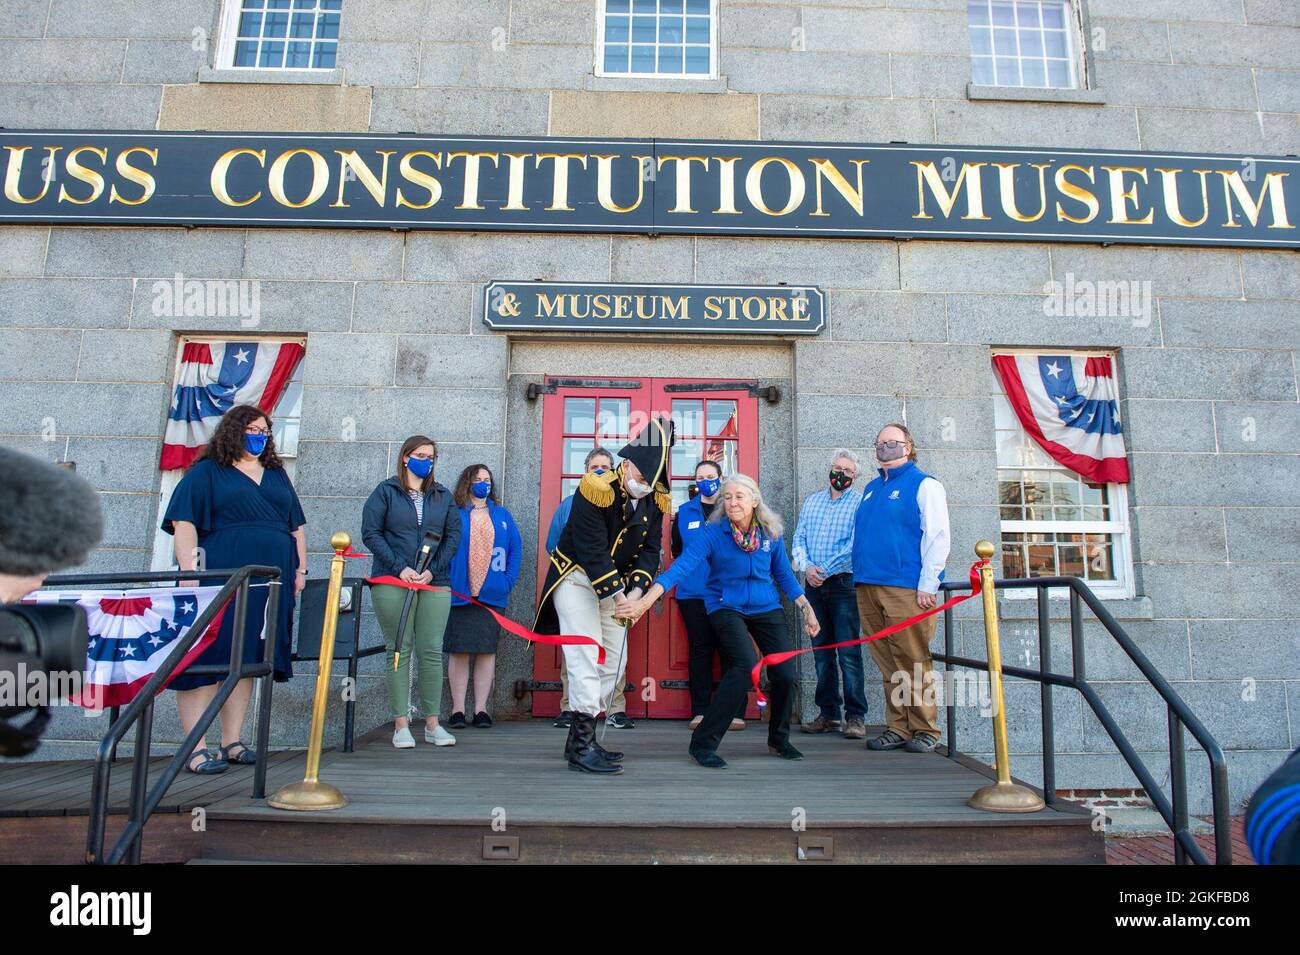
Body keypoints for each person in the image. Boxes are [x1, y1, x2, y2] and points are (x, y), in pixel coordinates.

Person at [628, 474, 820, 769]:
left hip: (765, 606)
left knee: (785, 674)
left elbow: (783, 575)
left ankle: (779, 739)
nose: (732, 503)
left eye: (739, 497)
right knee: (743, 667)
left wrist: (806, 607)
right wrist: (646, 599)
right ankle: (703, 743)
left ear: (755, 500)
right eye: (727, 497)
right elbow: (682, 566)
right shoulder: (715, 532)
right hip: (724, 605)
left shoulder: (770, 533)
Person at [163, 404, 306, 774]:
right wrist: (189, 570)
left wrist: (301, 569)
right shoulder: (208, 472)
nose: (260, 436)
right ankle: (195, 748)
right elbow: (184, 521)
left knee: (247, 658)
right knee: (209, 657)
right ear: (234, 431)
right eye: (253, 429)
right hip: (221, 576)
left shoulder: (276, 473)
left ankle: (232, 741)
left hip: (271, 580)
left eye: (265, 431)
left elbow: (296, 526)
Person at [535, 417, 675, 774]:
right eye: (642, 479)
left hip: (620, 590)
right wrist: (618, 596)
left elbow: (648, 550)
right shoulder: (594, 488)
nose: (645, 487)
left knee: (613, 660)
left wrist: (638, 589)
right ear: (626, 464)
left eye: (651, 482)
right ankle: (582, 746)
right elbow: (592, 549)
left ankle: (584, 739)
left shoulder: (655, 499)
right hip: (578, 579)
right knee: (586, 654)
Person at [852, 423, 951, 754]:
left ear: (908, 446)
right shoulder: (870, 488)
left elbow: (937, 536)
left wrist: (928, 582)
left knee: (913, 660)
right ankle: (898, 726)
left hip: (906, 587)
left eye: (892, 442)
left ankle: (925, 728)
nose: (884, 448)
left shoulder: (924, 485)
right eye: (879, 443)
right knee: (887, 662)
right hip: (868, 585)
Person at [362, 435, 461, 750]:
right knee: (399, 650)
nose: (426, 460)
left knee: (431, 651)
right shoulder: (385, 492)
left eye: (431, 456)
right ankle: (401, 724)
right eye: (420, 454)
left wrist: (432, 570)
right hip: (393, 580)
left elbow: (453, 536)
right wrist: (399, 567)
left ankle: (432, 723)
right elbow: (371, 533)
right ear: (405, 457)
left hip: (435, 580)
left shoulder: (442, 495)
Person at [546, 447, 634, 729]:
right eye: (594, 466)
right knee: (579, 652)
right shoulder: (569, 504)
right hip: (578, 580)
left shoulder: (623, 502)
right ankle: (573, 715)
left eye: (605, 466)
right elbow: (554, 544)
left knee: (614, 654)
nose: (600, 471)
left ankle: (609, 710)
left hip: (613, 587)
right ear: (585, 471)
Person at [791, 449, 868, 739]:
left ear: (855, 476)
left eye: (847, 471)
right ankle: (828, 713)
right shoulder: (812, 502)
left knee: (848, 652)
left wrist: (822, 568)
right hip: (813, 586)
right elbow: (799, 538)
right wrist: (807, 568)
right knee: (821, 652)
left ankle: (855, 717)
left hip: (842, 584)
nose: (840, 474)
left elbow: (854, 545)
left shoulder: (860, 504)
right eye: (837, 468)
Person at [671, 459, 746, 731]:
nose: (705, 480)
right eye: (700, 476)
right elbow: (677, 551)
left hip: (728, 593)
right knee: (700, 651)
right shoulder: (684, 512)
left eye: (710, 476)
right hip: (693, 594)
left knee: (731, 651)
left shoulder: (733, 509)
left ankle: (734, 712)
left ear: (720, 477)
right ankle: (700, 711)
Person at [444, 464, 521, 729]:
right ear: (467, 482)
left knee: (487, 651)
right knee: (460, 650)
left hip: (492, 594)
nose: (482, 484)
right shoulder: (454, 513)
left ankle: (481, 709)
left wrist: (507, 581)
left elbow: (515, 550)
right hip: (460, 593)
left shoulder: (502, 514)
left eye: (487, 479)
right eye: (477, 479)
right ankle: (457, 709)